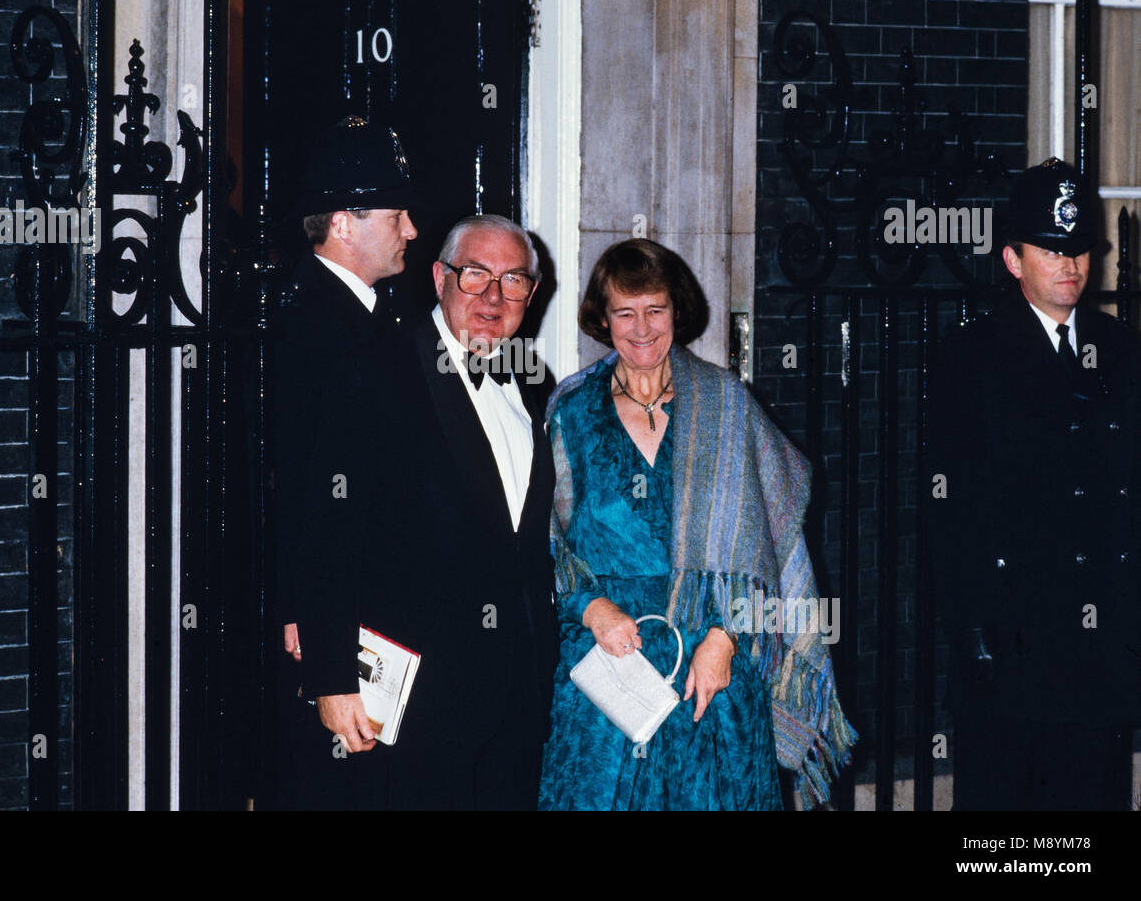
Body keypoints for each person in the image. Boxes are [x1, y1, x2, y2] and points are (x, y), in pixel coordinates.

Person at [538, 238, 857, 811]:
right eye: (624, 312)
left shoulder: (726, 403)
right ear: (602, 318)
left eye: (655, 309)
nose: (641, 328)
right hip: (608, 671)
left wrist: (726, 638)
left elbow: (768, 550)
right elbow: (550, 542)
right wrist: (591, 607)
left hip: (712, 677)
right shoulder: (571, 409)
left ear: (676, 311)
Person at [281, 210, 559, 809]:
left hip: (516, 695)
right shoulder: (377, 370)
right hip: (413, 700)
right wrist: (332, 676)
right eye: (474, 275)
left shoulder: (534, 386)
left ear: (531, 294)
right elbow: (328, 527)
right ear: (439, 278)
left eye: (512, 280)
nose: (492, 296)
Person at [929, 158, 1141, 810]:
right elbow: (952, 512)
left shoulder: (1122, 350)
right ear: (1014, 260)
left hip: (1100, 647)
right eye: (1052, 249)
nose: (1070, 265)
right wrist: (975, 637)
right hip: (1014, 644)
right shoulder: (971, 357)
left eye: (1078, 249)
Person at [266, 116, 418, 809]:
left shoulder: (362, 317)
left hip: (372, 628)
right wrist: (332, 675)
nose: (412, 229)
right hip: (344, 652)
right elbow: (313, 506)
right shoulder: (317, 329)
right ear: (344, 223)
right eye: (397, 214)